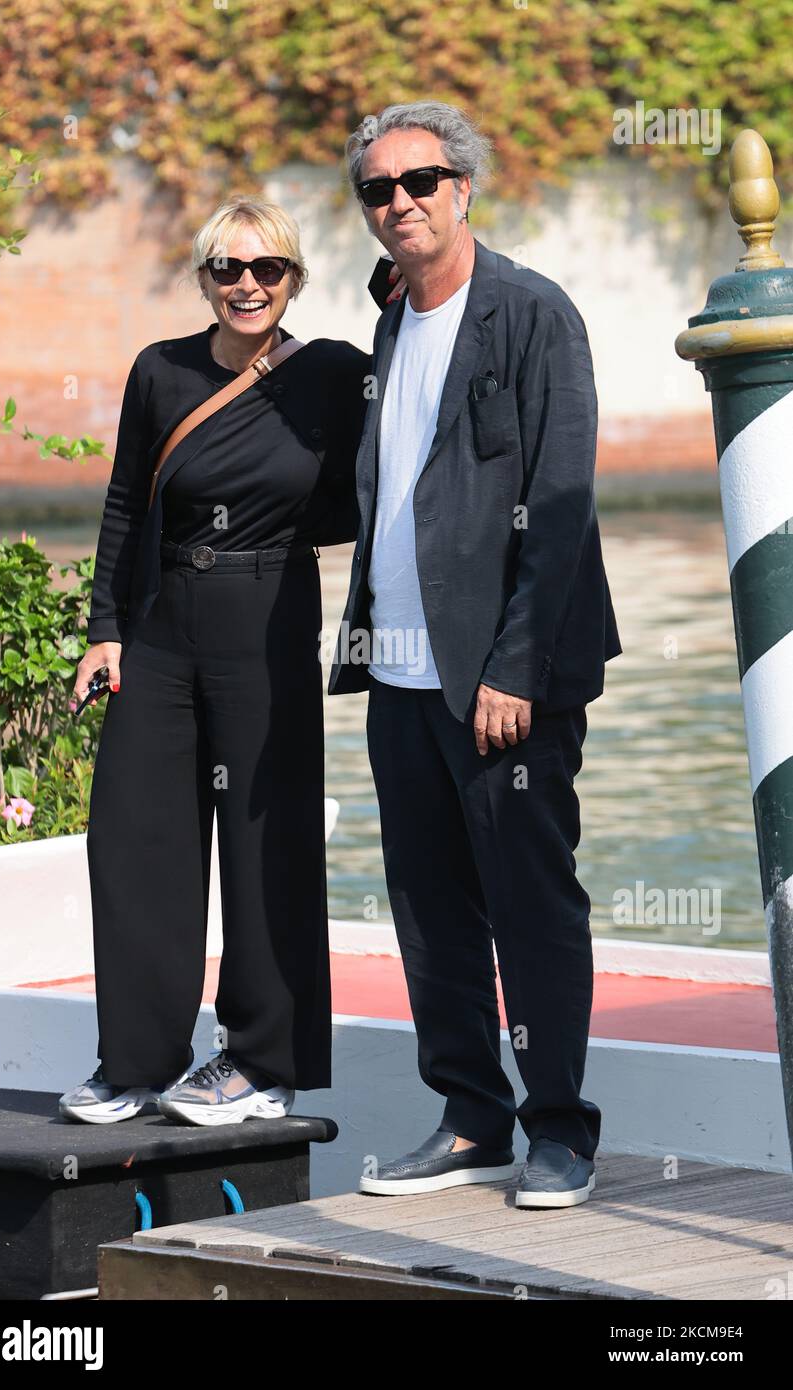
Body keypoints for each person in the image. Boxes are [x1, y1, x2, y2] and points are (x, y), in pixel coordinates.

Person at [329, 102, 622, 1206]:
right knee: (428, 904)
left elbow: (559, 503)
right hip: (399, 671)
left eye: (420, 182)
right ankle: (469, 1118)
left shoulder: (533, 314)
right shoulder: (390, 321)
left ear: (464, 189)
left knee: (532, 900)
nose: (397, 203)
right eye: (376, 190)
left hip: (506, 680)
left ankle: (559, 1128)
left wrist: (514, 664)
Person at [60, 197, 373, 1125]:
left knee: (264, 844)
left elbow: (370, 485)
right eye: (227, 270)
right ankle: (135, 1062)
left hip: (266, 616)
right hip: (157, 622)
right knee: (134, 837)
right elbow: (125, 501)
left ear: (295, 279)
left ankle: (259, 1062)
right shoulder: (160, 371)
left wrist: (288, 535)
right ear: (204, 279)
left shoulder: (330, 376)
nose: (247, 285)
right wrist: (103, 627)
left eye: (266, 269)